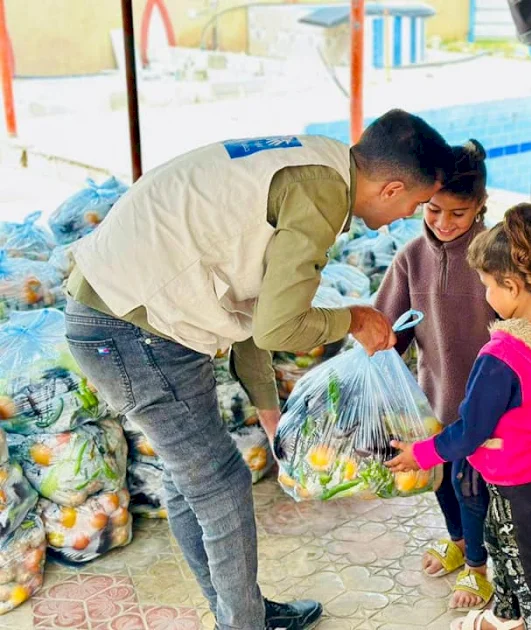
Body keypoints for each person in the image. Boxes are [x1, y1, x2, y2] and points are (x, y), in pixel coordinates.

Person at [61, 110, 454, 630]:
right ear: (392, 188)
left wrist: (269, 412)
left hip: (135, 317)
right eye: (415, 204)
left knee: (193, 479)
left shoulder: (320, 163)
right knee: (219, 482)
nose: (409, 216)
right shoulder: (319, 193)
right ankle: (241, 623)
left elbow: (254, 317)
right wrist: (353, 318)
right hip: (130, 328)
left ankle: (241, 612)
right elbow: (277, 326)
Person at [386, 204, 531, 630]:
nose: (486, 295)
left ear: (512, 285)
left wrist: (423, 454)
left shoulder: (501, 355)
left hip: (513, 480)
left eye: (488, 286)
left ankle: (529, 620)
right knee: (503, 547)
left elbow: (469, 432)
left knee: (527, 571)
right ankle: (504, 618)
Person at [374, 139, 496, 611]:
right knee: (442, 479)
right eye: (433, 211)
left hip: (487, 405)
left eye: (459, 215)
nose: (444, 224)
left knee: (474, 487)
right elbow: (388, 329)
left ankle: (479, 570)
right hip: (435, 397)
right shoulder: (410, 258)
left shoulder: (494, 256)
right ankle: (460, 542)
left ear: (481, 207)